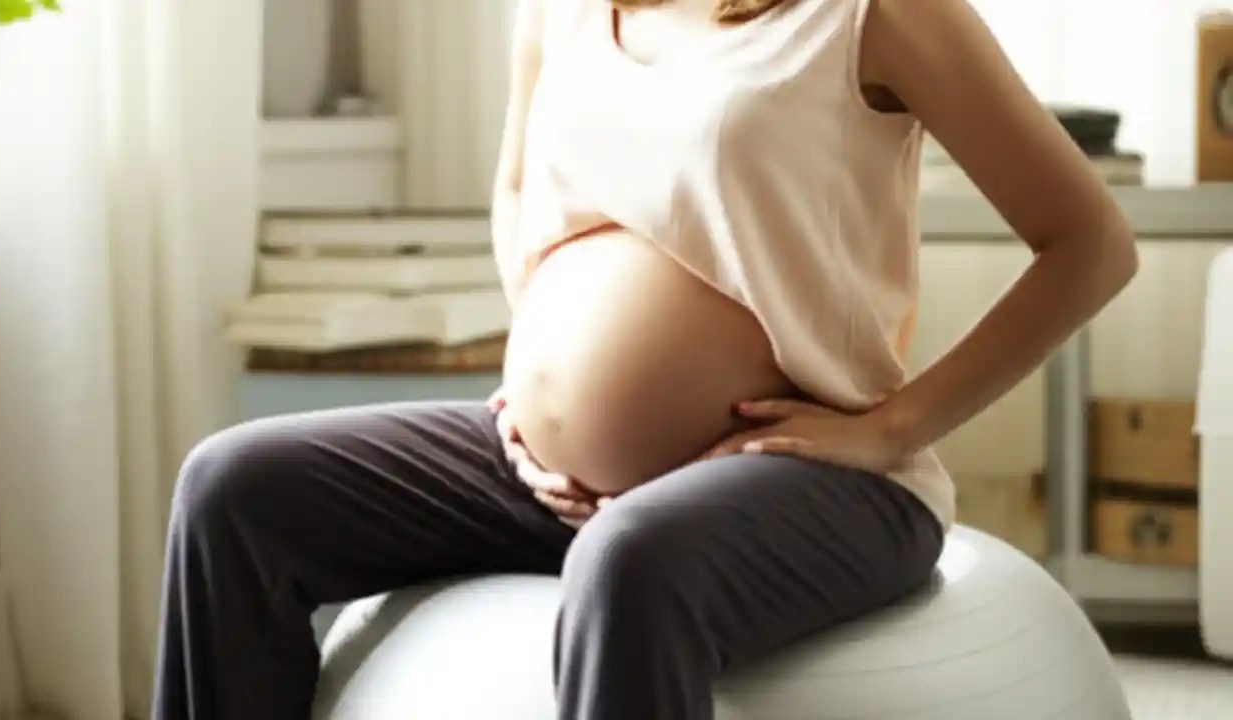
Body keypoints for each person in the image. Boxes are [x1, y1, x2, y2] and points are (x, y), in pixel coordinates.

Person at [151, 0, 1139, 718]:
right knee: (231, 490)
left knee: (629, 562)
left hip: (810, 479)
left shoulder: (872, 14)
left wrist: (892, 428)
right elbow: (513, 193)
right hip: (534, 468)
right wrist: (542, 388)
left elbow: (1089, 243)